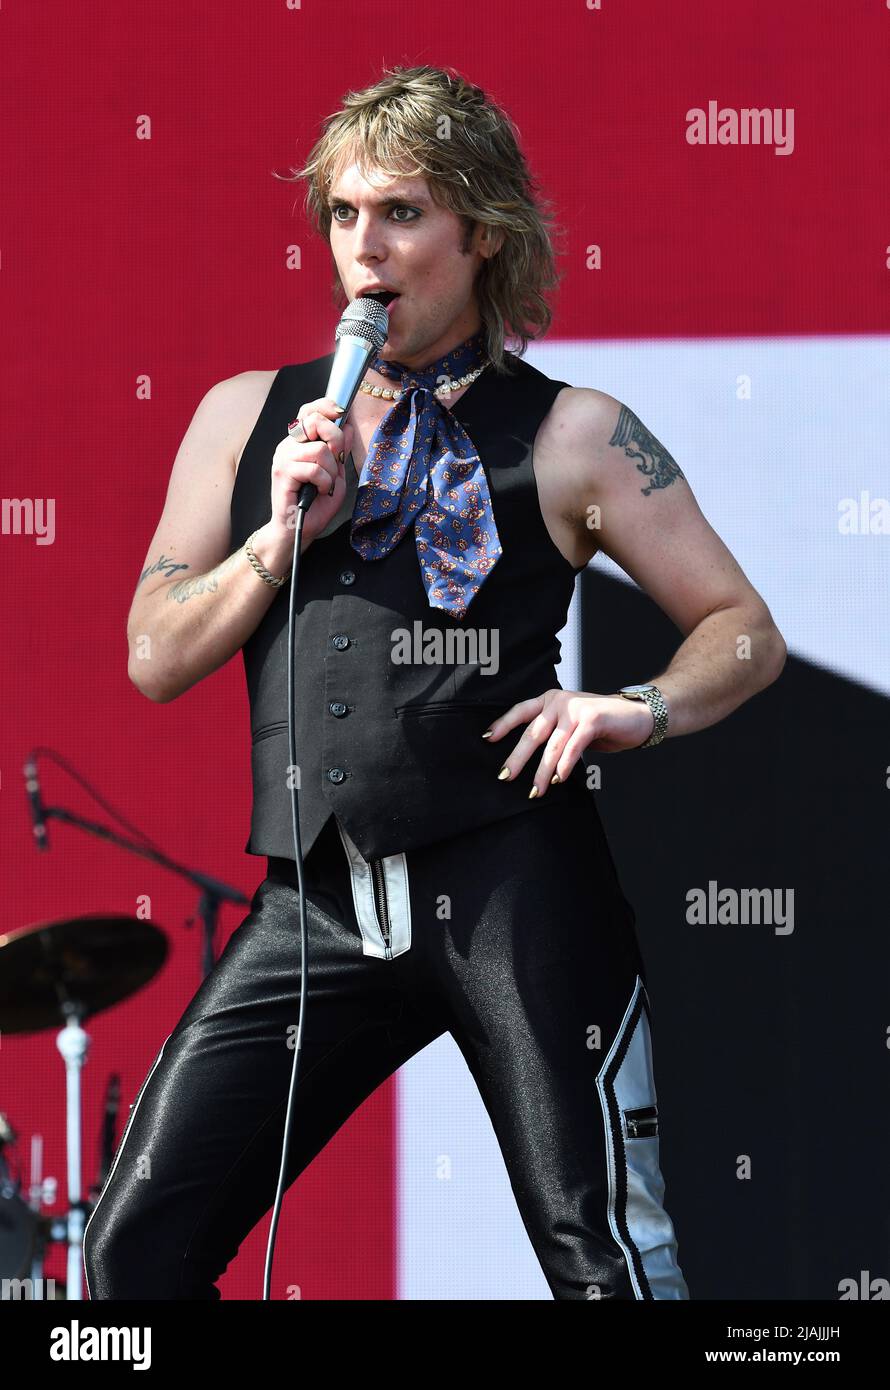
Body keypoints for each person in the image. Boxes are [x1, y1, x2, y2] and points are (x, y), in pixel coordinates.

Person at [83, 64, 786, 1301]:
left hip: (514, 883)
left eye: (401, 213)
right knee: (129, 1254)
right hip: (315, 898)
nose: (366, 246)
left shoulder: (572, 431)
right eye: (345, 215)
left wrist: (634, 707)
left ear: (483, 232)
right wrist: (276, 538)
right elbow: (154, 657)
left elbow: (741, 628)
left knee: (604, 1252)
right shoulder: (247, 418)